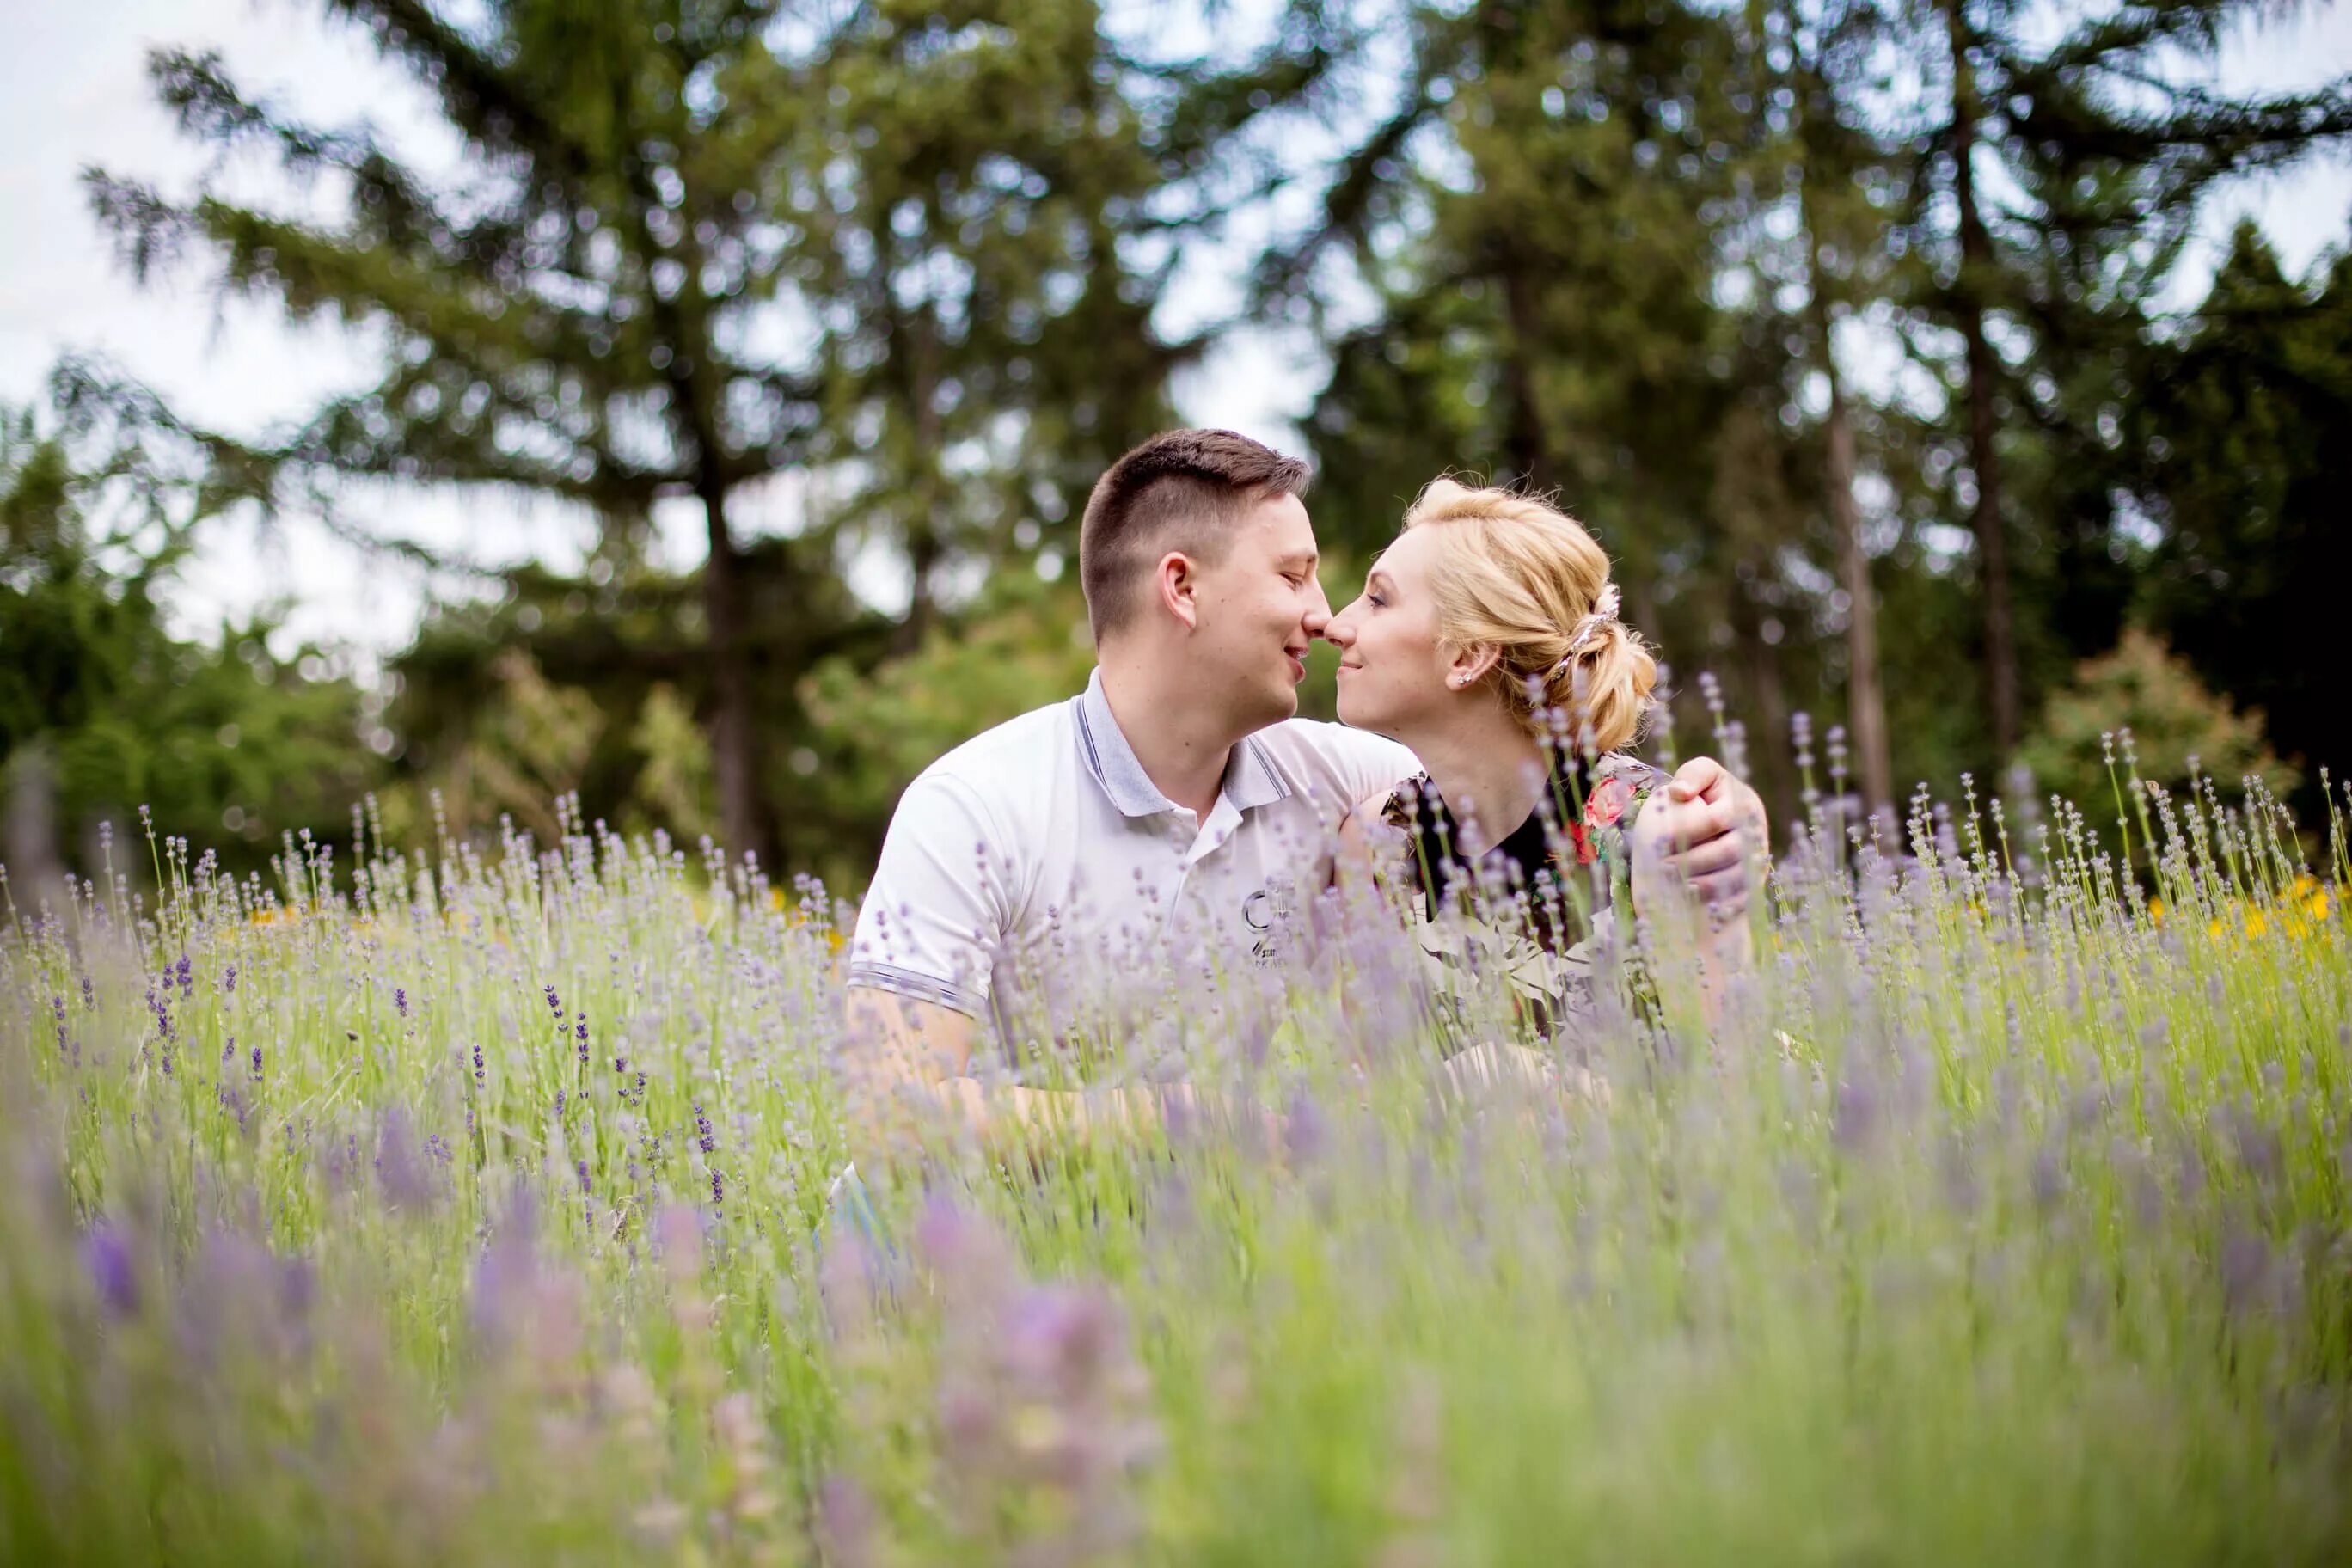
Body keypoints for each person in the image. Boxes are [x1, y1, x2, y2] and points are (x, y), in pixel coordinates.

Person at [842, 431, 1763, 1148]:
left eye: (1367, 595)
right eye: (1296, 576)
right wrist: (1204, 1128)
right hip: (963, 1258)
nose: (1327, 620)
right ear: (1182, 589)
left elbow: (1530, 781)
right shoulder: (974, 805)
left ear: (1470, 653)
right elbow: (891, 1119)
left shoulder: (1342, 785)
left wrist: (1722, 816)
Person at [1324, 479, 1758, 1067]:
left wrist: (1566, 1100)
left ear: (1467, 656)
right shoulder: (1376, 842)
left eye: (1378, 600)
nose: (1337, 625)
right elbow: (1365, 1110)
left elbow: (1742, 1096)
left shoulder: (1659, 833)